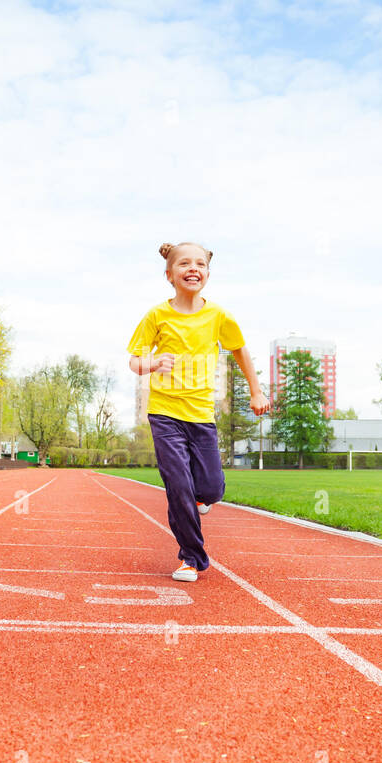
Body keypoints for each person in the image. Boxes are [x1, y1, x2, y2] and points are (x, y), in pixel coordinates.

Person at [127, 242, 269, 582]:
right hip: (164, 413)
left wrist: (256, 390)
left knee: (211, 487)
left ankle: (204, 496)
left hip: (201, 414)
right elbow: (134, 361)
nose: (193, 268)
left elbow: (240, 350)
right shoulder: (156, 316)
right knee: (178, 486)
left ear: (207, 272)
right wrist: (153, 362)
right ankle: (190, 557)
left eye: (200, 264)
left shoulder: (218, 316)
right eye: (185, 264)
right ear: (169, 274)